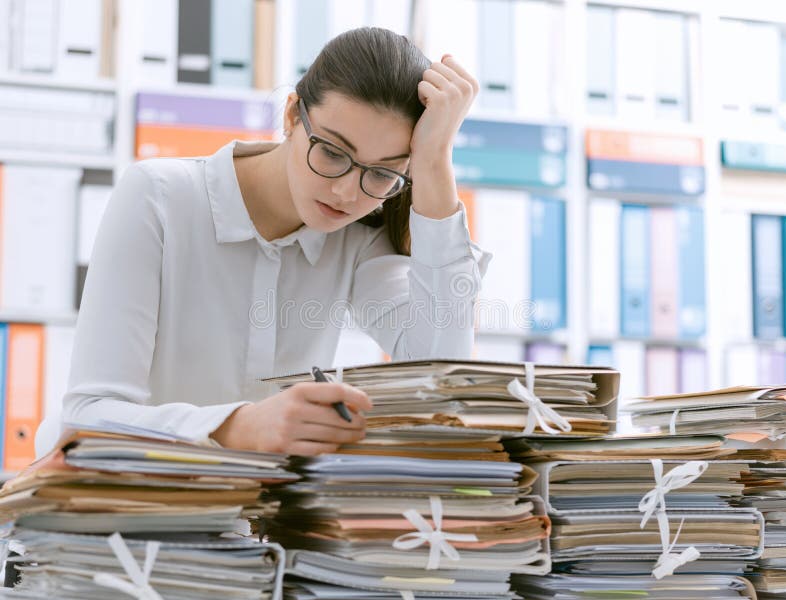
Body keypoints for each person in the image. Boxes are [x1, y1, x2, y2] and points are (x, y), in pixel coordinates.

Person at [34, 27, 490, 457]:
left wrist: (434, 162)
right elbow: (87, 416)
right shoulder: (159, 195)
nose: (347, 193)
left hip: (261, 528)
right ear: (293, 115)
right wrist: (239, 427)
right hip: (131, 515)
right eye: (332, 152)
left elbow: (441, 371)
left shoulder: (357, 235)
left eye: (382, 172)